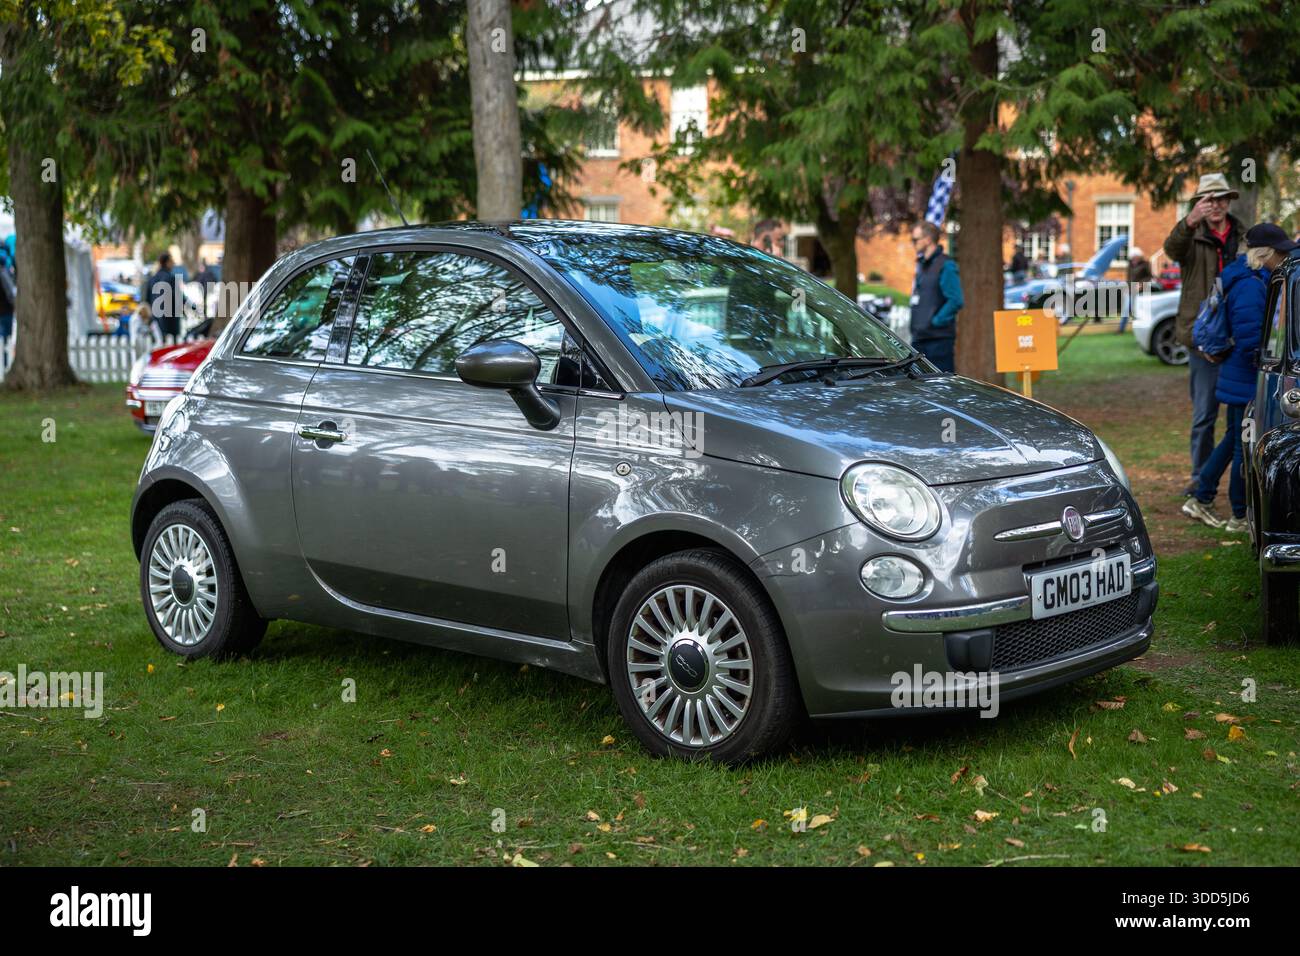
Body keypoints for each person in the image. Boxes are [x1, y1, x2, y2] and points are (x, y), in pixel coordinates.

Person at [1182, 223, 1293, 531]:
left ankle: (1201, 497)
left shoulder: (1250, 277)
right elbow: (1249, 337)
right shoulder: (1250, 283)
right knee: (1242, 444)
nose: (1284, 259)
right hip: (1245, 376)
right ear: (1266, 254)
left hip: (1238, 374)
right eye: (1281, 254)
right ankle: (1239, 516)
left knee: (1235, 437)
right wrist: (1266, 365)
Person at [1163, 172, 1246, 495]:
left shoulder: (1243, 235)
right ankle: (1200, 477)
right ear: (1199, 203)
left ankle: (1238, 480)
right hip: (1202, 337)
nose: (1216, 204)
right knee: (1204, 415)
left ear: (1229, 201)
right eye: (1208, 199)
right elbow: (1171, 249)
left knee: (1241, 414)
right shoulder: (1191, 236)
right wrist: (1188, 221)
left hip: (1238, 336)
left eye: (1221, 198)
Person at [908, 220, 963, 373]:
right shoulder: (922, 264)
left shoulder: (946, 265)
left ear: (927, 239)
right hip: (919, 340)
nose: (913, 243)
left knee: (940, 389)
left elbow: (956, 300)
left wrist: (935, 321)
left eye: (915, 240)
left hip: (938, 342)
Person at [140, 253, 183, 338]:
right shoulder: (171, 278)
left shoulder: (152, 279)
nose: (173, 263)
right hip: (170, 320)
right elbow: (179, 297)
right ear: (167, 263)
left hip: (156, 319)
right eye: (171, 261)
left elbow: (146, 299)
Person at [1119, 247, 1153, 334]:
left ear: (1139, 256)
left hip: (1140, 292)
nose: (1134, 259)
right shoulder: (1130, 265)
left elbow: (1149, 277)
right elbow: (1128, 278)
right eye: (1133, 257)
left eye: (1136, 257)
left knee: (1138, 311)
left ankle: (1138, 330)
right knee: (1126, 310)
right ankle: (1120, 330)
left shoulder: (1145, 264)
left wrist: (1141, 284)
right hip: (1130, 290)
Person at [0, 234, 15, 371]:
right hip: (5, 311)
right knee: (4, 340)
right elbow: (10, 293)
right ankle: (3, 366)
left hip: (4, 311)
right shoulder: (3, 272)